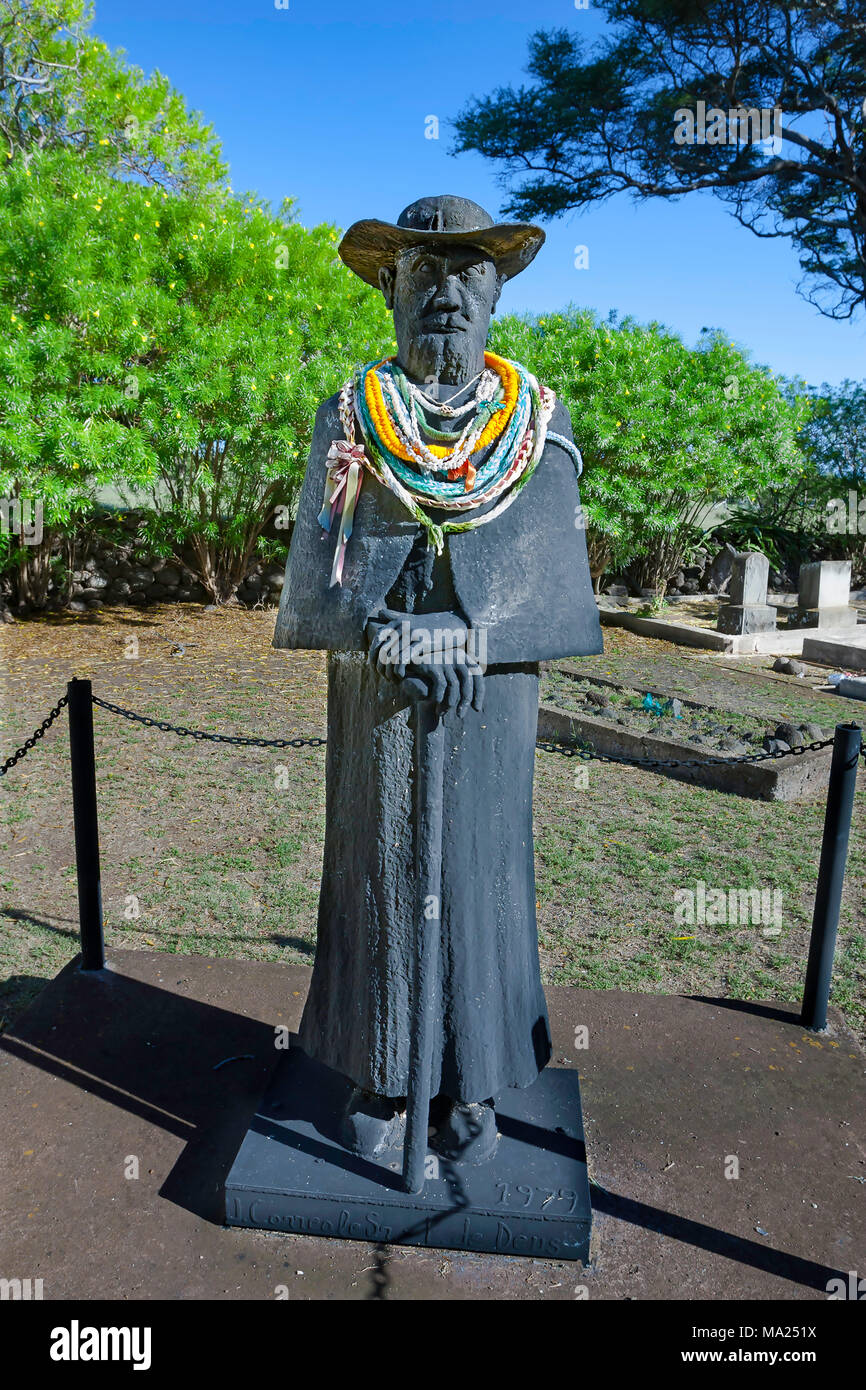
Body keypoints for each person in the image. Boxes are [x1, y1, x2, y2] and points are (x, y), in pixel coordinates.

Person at [274, 195, 602, 1163]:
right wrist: (379, 630)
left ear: (495, 290)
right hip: (375, 700)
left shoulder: (536, 428)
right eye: (422, 273)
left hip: (489, 704)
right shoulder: (348, 420)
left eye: (466, 272)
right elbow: (316, 582)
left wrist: (469, 634)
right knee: (380, 872)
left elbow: (550, 587)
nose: (445, 294)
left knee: (478, 877)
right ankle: (378, 1067)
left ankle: (476, 1079)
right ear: (390, 292)